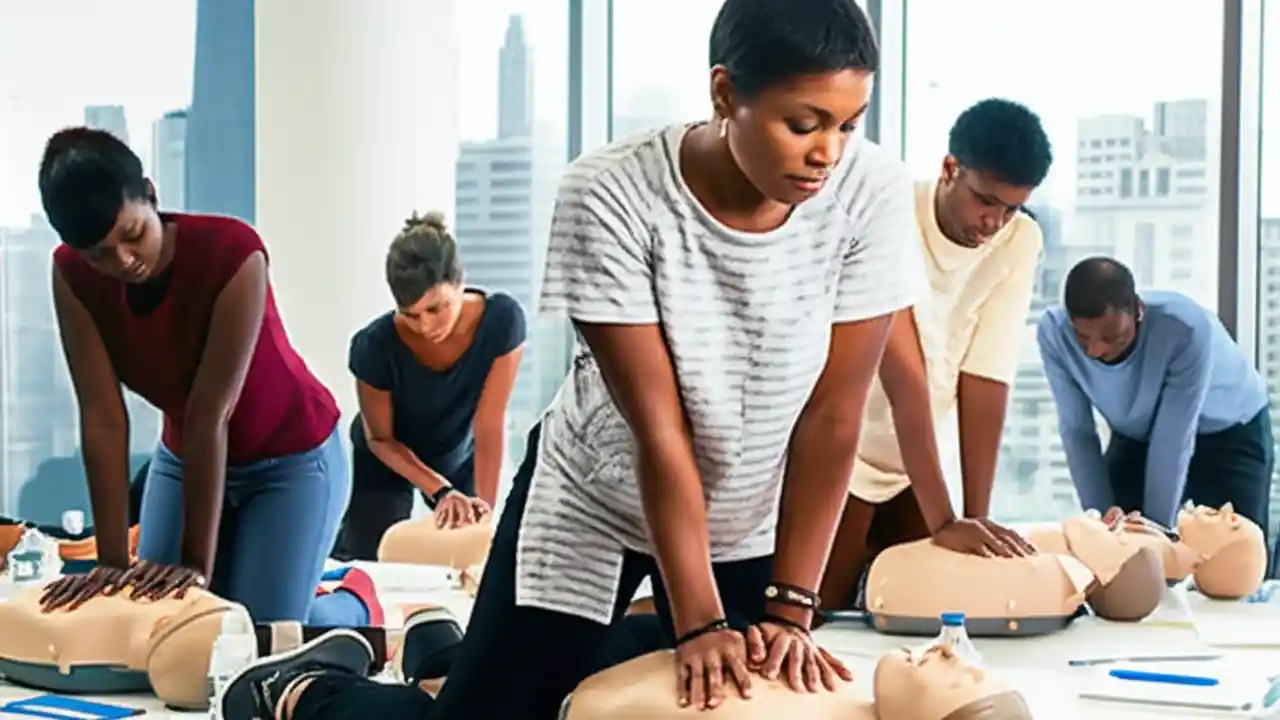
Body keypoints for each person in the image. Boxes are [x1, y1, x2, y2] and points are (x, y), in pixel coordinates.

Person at [220, 0, 923, 717]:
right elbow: (660, 428)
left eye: (848, 125)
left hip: (751, 514)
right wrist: (700, 619)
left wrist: (790, 608)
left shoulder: (869, 193)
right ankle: (305, 692)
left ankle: (443, 653)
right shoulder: (612, 192)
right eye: (803, 124)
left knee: (708, 694)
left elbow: (835, 418)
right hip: (598, 500)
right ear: (724, 94)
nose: (827, 153)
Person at [36, 127, 349, 623]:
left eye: (133, 235)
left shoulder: (233, 252)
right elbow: (101, 418)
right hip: (185, 457)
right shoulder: (71, 275)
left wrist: (195, 570)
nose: (123, 261)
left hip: (291, 457)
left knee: (256, 633)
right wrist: (112, 565)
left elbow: (210, 413)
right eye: (99, 255)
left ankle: (353, 602)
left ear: (151, 196)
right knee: (154, 620)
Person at [820, 98, 1052, 609]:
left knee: (913, 613)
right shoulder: (890, 213)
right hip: (843, 452)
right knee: (821, 614)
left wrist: (974, 515)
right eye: (985, 200)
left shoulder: (1020, 240)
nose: (995, 222)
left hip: (915, 462)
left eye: (1011, 208)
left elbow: (986, 377)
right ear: (950, 169)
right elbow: (907, 382)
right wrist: (946, 518)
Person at [1039, 256, 1275, 575]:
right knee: (1116, 558)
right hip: (1137, 435)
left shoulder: (1185, 328)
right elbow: (1077, 431)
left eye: (1112, 337)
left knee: (1236, 570)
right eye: (1084, 337)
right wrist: (1101, 523)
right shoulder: (1054, 334)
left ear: (1138, 310)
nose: (1095, 350)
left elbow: (1173, 440)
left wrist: (1157, 537)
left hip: (1229, 434)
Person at [331, 212, 525, 561]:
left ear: (460, 282)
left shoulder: (502, 321)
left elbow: (489, 424)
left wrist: (484, 511)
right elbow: (380, 439)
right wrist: (440, 490)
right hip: (388, 460)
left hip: (458, 452)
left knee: (478, 556)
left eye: (437, 308)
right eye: (410, 314)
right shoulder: (373, 346)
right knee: (369, 561)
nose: (425, 326)